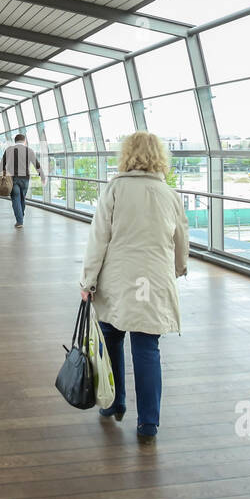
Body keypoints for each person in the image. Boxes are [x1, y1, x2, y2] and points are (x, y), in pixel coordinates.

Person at [78, 132, 189, 445]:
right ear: (159, 157)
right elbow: (181, 240)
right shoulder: (170, 194)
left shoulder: (115, 189)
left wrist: (88, 280)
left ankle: (114, 402)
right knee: (146, 347)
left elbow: (98, 238)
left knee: (111, 337)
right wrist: (178, 269)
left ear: (126, 155)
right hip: (154, 280)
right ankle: (148, 424)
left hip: (118, 280)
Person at [0, 133, 45, 228]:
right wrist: (42, 176)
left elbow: (1, 165)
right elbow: (37, 165)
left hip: (12, 179)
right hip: (25, 179)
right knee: (22, 198)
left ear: (15, 141)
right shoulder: (29, 150)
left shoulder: (9, 150)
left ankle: (19, 220)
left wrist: (2, 175)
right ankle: (20, 216)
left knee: (15, 198)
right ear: (24, 141)